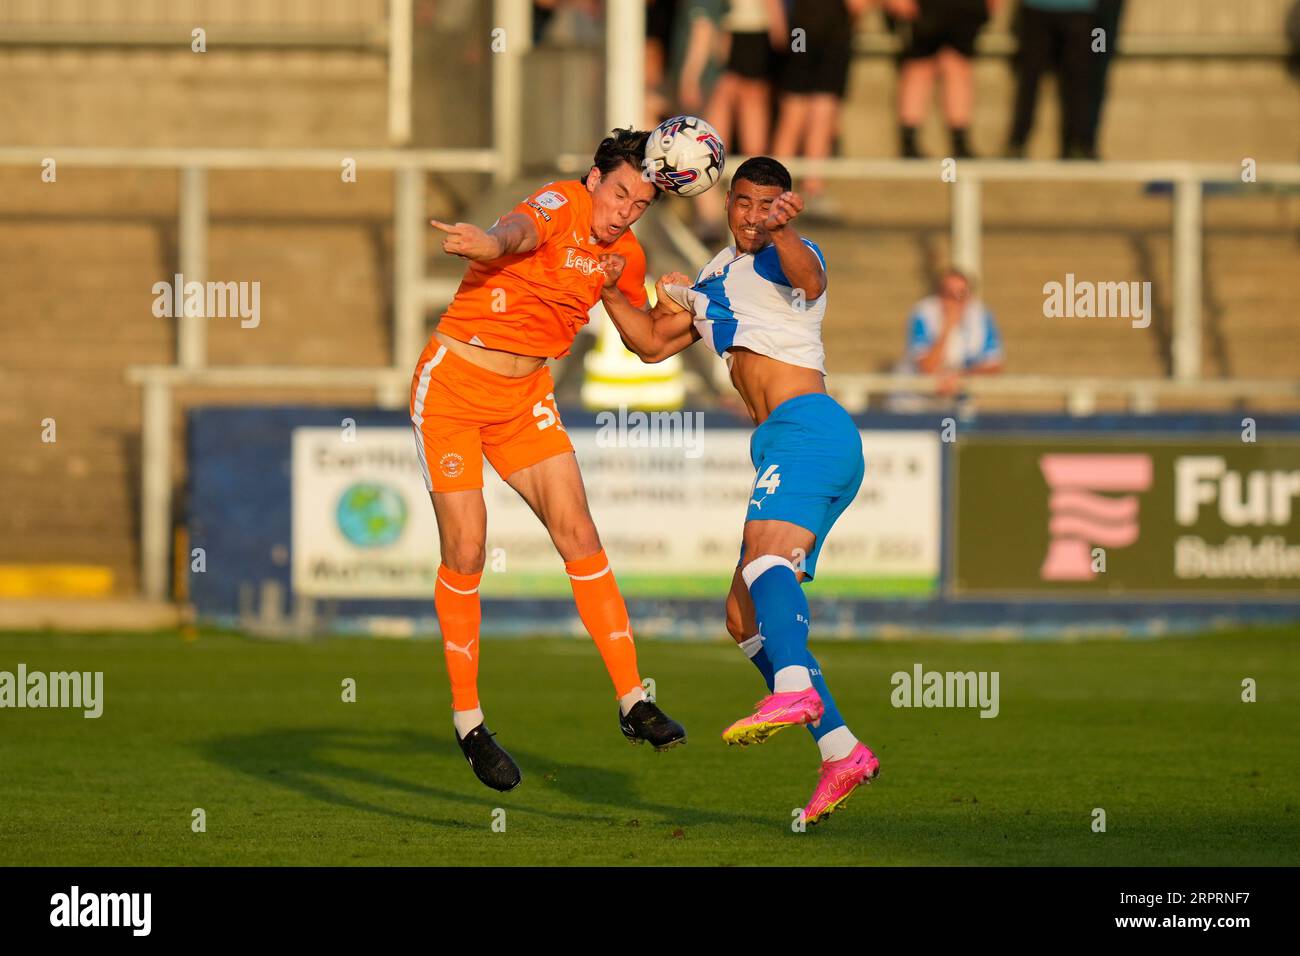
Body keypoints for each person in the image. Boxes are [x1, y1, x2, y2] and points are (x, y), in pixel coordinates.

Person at [597, 157, 881, 825]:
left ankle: (791, 689)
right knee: (743, 618)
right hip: (786, 442)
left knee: (763, 561)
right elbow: (647, 344)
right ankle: (841, 752)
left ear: (785, 206)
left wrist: (784, 232)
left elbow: (808, 276)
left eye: (769, 204)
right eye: (746, 203)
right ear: (727, 203)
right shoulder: (713, 278)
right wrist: (614, 289)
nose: (755, 215)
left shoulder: (789, 256)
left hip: (809, 430)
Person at [414, 129, 687, 793]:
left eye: (639, 203)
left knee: (581, 536)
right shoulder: (560, 203)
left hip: (525, 397)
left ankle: (632, 700)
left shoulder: (624, 253)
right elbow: (517, 232)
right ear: (595, 180)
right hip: (454, 387)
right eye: (619, 192)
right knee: (469, 552)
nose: (624, 210)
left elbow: (648, 344)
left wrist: (689, 311)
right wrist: (488, 242)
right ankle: (469, 721)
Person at [771, 0, 869, 213]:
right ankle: (812, 187)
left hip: (800, 29)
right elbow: (858, 5)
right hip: (830, 30)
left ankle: (774, 189)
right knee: (819, 110)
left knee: (795, 111)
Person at [884, 0, 1000, 159]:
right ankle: (909, 139)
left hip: (964, 8)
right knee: (919, 67)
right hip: (926, 9)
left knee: (958, 67)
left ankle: (959, 141)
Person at [1006, 0, 1099, 159]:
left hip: (1080, 10)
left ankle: (1076, 143)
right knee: (1029, 78)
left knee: (1077, 80)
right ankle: (1018, 142)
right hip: (1037, 9)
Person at [897, 268, 1003, 401]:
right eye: (948, 294)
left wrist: (961, 377)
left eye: (961, 294)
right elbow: (927, 368)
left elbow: (994, 366)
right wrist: (948, 326)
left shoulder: (982, 315)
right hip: (914, 401)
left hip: (951, 404)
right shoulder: (923, 314)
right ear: (939, 295)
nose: (954, 301)